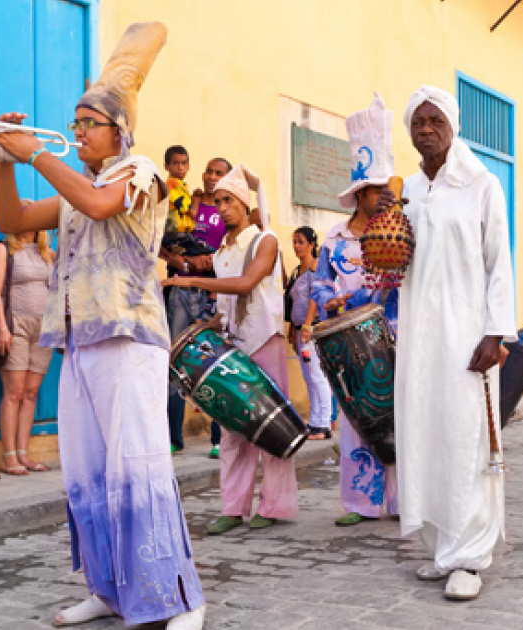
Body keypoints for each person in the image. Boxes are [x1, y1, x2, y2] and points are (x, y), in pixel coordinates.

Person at [0, 21, 205, 629]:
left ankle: (180, 597)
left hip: (130, 342)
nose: (78, 131)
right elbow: (13, 216)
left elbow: (100, 204)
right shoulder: (82, 183)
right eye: (75, 122)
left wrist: (34, 150)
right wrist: (5, 161)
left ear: (120, 131)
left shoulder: (140, 173)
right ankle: (107, 589)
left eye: (88, 124)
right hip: (78, 346)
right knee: (86, 474)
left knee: (140, 468)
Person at [392, 86, 515, 601]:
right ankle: (442, 549)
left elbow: (498, 263)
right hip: (420, 334)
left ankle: (471, 556)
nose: (425, 129)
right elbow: (395, 262)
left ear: (453, 125)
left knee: (467, 438)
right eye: (417, 122)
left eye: (434, 120)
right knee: (426, 433)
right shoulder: (411, 193)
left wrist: (495, 331)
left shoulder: (482, 185)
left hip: (468, 332)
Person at [164, 164, 300, 535]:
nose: (222, 207)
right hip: (234, 346)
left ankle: (274, 505)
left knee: (270, 424)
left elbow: (246, 284)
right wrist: (203, 328)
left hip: (265, 340)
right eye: (218, 200)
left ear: (243, 202)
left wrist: (187, 279)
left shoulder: (265, 241)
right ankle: (232, 506)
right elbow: (225, 309)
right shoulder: (223, 252)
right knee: (232, 430)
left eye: (229, 200)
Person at [302, 93, 400, 527]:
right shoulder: (334, 237)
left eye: (385, 188)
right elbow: (319, 282)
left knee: (397, 415)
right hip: (347, 341)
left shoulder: (398, 232)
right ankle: (360, 502)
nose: (382, 196)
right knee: (355, 418)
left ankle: (400, 502)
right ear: (360, 194)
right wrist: (330, 302)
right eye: (375, 190)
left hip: (393, 335)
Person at [160, 157, 232, 459]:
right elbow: (159, 241)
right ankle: (173, 438)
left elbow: (235, 253)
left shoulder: (230, 211)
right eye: (209, 171)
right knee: (174, 363)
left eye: (219, 173)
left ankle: (218, 440)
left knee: (214, 363)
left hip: (212, 295)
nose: (212, 176)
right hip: (179, 291)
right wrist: (179, 261)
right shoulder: (185, 202)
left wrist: (213, 266)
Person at [0, 222, 55, 475]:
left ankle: (23, 454)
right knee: (13, 392)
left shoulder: (48, 253)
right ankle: (9, 456)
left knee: (31, 392)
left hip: (44, 327)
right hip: (16, 323)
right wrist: (3, 328)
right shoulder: (4, 250)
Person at [285, 226, 332, 440]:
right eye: (294, 242)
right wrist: (292, 329)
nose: (296, 246)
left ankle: (324, 424)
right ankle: (314, 423)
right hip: (299, 331)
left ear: (312, 245)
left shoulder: (315, 269)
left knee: (317, 376)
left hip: (311, 330)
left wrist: (306, 327)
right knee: (308, 377)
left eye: (301, 242)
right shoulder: (298, 271)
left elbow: (315, 297)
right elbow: (294, 301)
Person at [164, 145, 192, 234]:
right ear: (166, 166)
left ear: (188, 166)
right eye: (175, 163)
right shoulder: (171, 184)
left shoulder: (182, 185)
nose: (180, 168)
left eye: (184, 163)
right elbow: (187, 208)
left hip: (181, 233)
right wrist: (196, 199)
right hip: (174, 233)